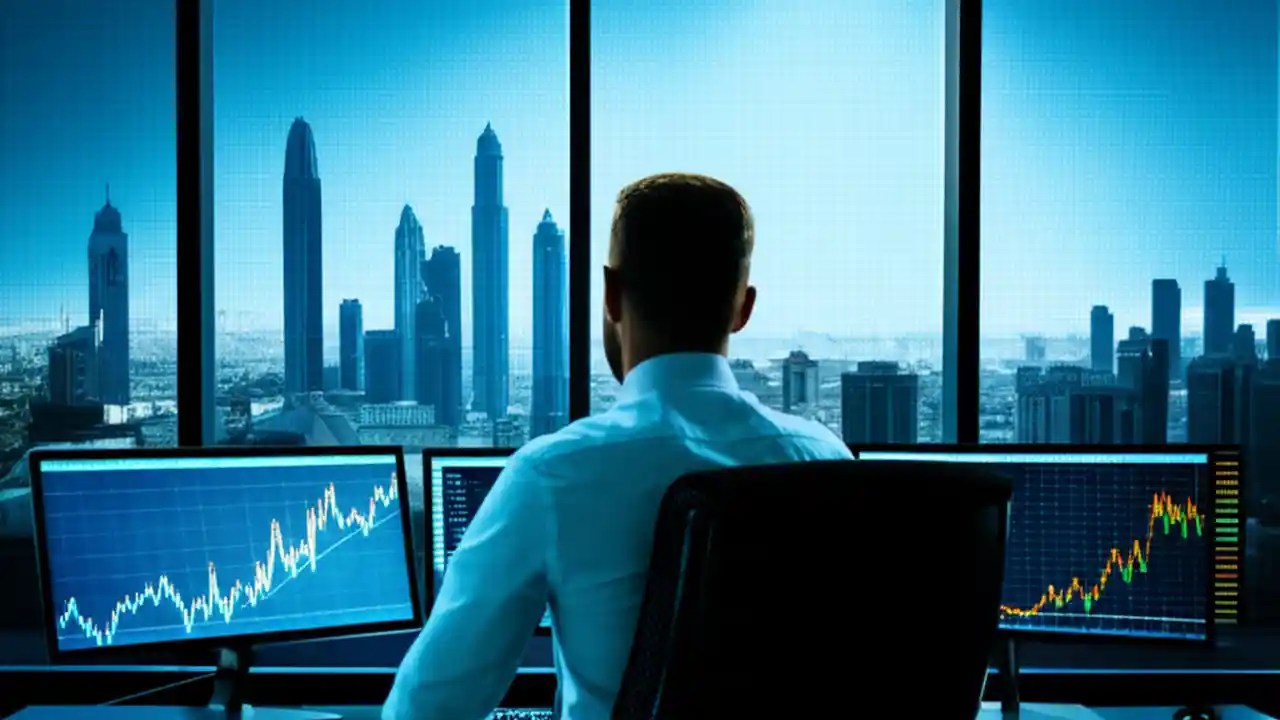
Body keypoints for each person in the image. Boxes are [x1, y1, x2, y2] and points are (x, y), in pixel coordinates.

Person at [382, 173, 852, 720]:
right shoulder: (827, 461)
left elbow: (429, 709)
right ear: (742, 308)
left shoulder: (552, 475)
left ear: (610, 295)